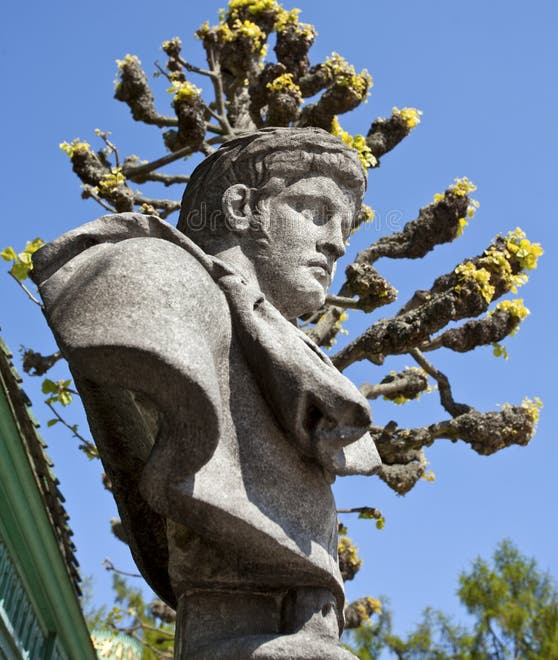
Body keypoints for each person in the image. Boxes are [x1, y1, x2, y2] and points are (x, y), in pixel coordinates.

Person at [32, 128, 380, 659]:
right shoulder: (154, 278)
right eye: (314, 211)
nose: (335, 241)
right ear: (242, 208)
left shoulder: (295, 369)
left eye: (345, 228)